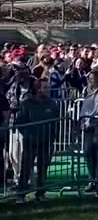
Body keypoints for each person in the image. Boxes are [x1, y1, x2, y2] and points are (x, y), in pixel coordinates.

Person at [13, 72, 60, 200]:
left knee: (43, 167)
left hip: (46, 141)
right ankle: (21, 193)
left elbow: (56, 120)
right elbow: (19, 122)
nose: (47, 89)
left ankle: (40, 193)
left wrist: (53, 135)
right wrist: (28, 134)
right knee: (26, 168)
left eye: (48, 87)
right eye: (45, 87)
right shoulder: (26, 103)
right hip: (31, 141)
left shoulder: (51, 104)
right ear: (37, 89)